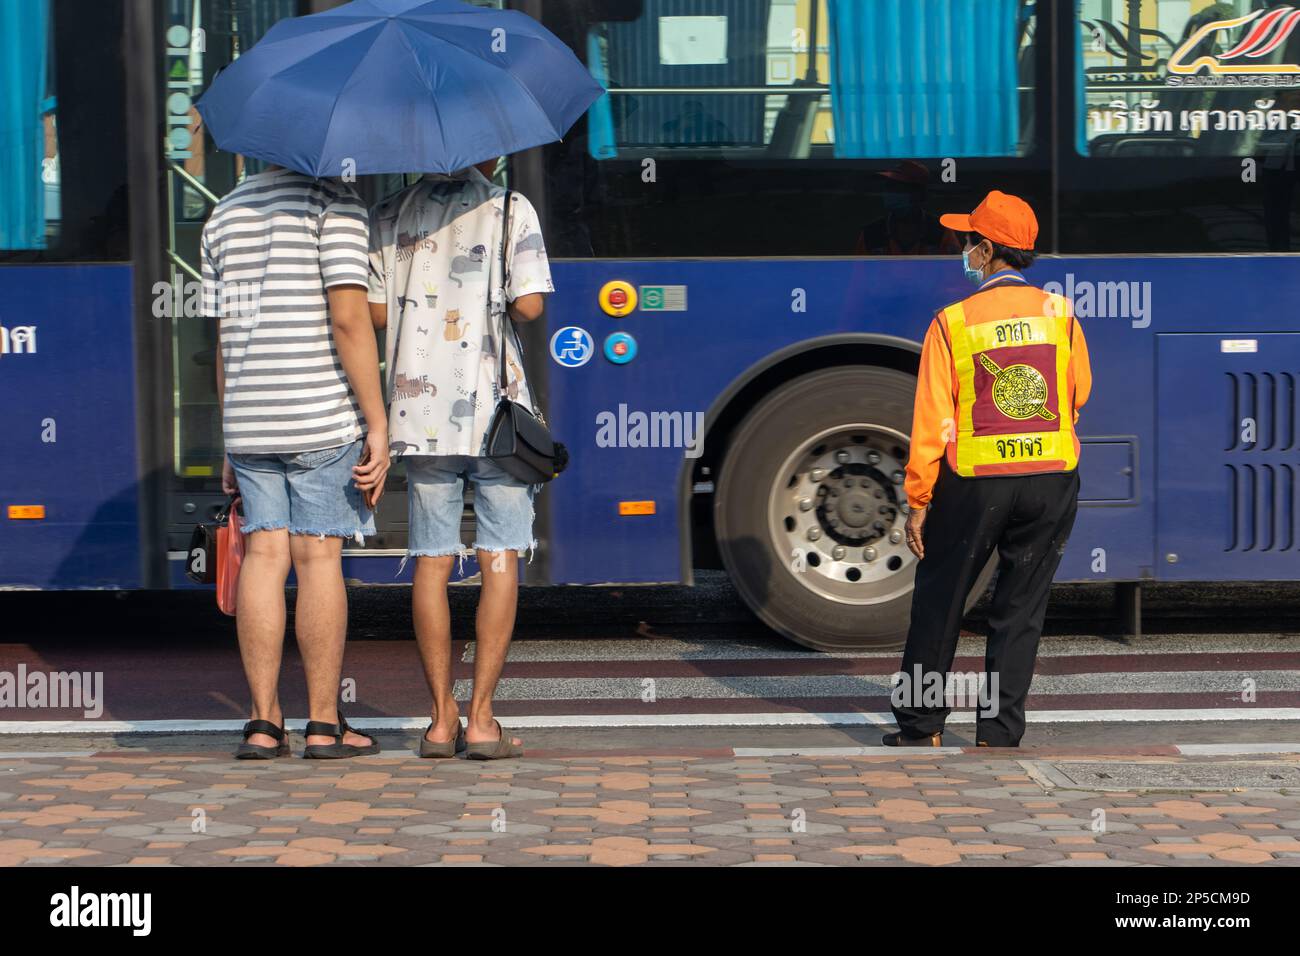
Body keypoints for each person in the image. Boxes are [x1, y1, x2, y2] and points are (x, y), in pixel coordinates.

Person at [884, 190, 1092, 748]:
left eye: (967, 240)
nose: (962, 248)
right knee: (1020, 608)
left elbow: (932, 420)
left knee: (940, 600)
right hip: (1051, 481)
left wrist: (919, 500)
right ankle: (999, 733)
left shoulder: (952, 323)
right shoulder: (1060, 314)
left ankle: (921, 726)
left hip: (975, 486)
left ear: (986, 250)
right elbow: (1078, 394)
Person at [368, 157, 553, 760]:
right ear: (487, 151)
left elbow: (373, 312)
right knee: (498, 557)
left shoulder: (389, 214)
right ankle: (481, 719)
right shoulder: (509, 208)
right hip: (496, 416)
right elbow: (530, 307)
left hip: (419, 419)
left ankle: (440, 721)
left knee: (431, 562)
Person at [204, 163, 389, 759]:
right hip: (317, 416)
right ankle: (324, 725)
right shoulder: (335, 204)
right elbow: (348, 318)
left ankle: (262, 725)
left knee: (263, 556)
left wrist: (230, 436)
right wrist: (378, 422)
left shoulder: (223, 212)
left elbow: (225, 337)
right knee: (317, 558)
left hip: (250, 421)